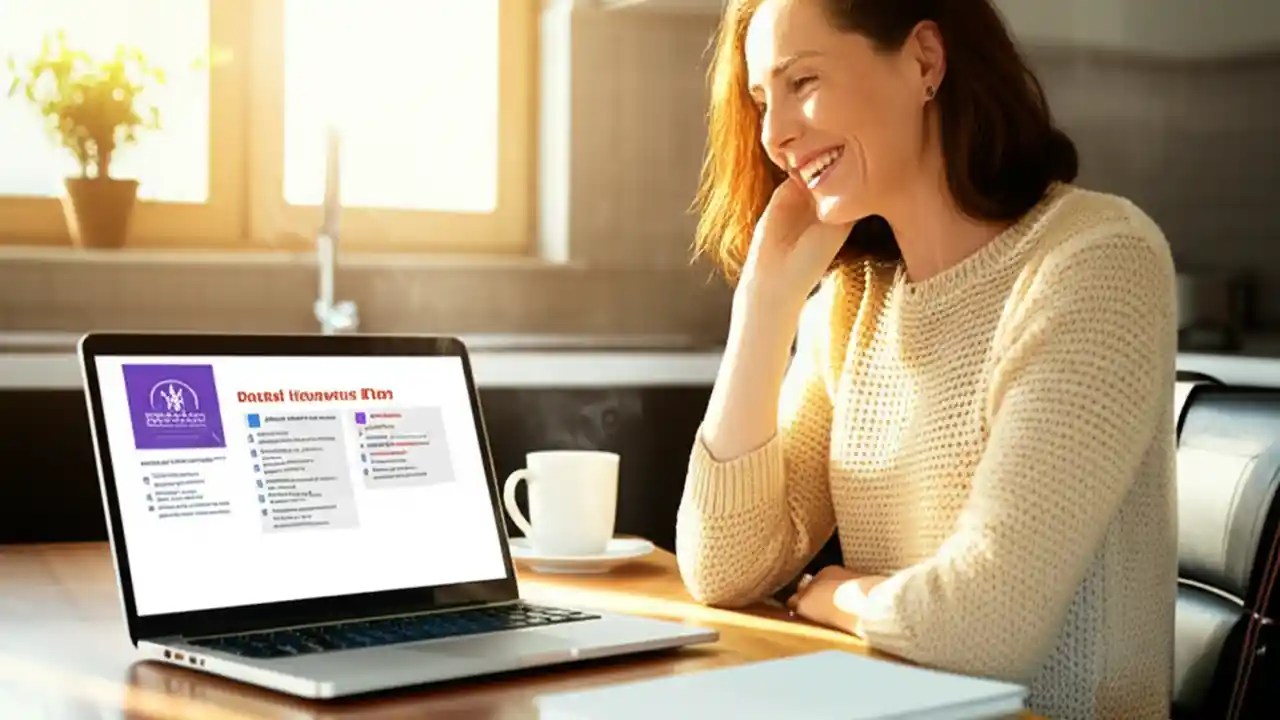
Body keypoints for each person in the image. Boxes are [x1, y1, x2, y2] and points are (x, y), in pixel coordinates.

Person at [674, 1, 1177, 718]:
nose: (775, 134)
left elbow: (985, 627)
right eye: (762, 100)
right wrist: (763, 303)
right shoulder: (856, 298)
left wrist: (834, 591)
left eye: (803, 81)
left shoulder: (1095, 259)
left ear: (924, 62)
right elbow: (724, 565)